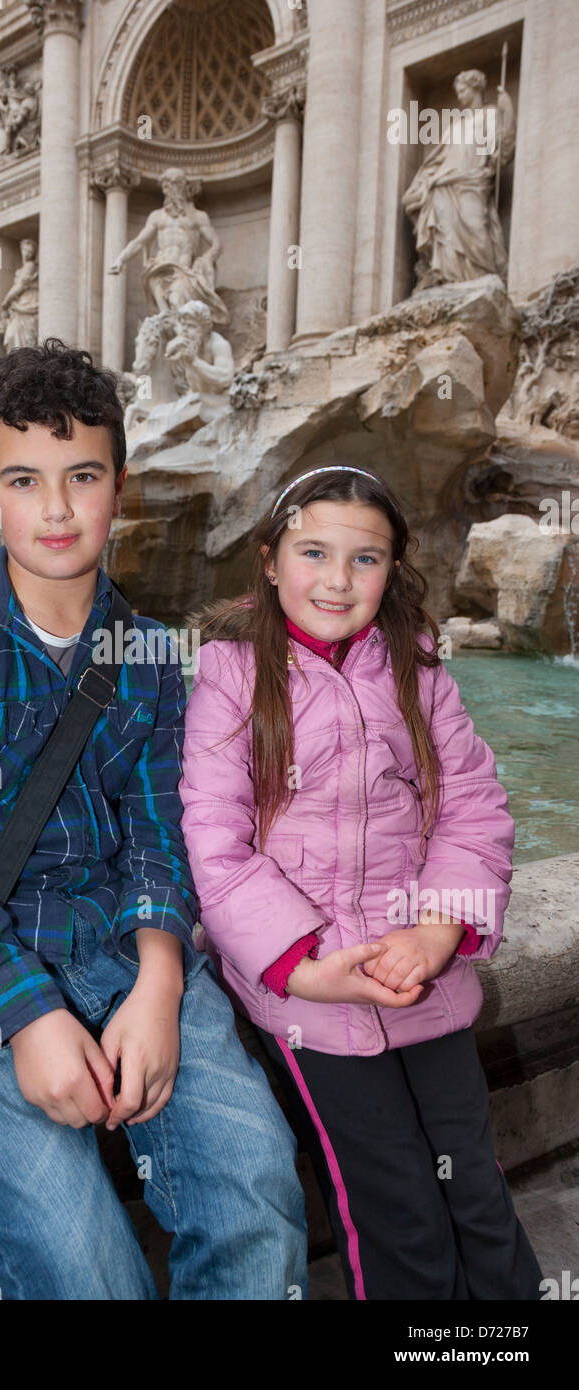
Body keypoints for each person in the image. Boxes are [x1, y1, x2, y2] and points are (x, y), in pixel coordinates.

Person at [0, 338, 308, 1300]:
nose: (57, 509)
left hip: (122, 951)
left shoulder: (148, 652)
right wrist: (23, 1013)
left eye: (82, 477)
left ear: (121, 485)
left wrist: (159, 981)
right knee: (82, 1261)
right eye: (24, 480)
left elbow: (160, 831)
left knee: (257, 1188)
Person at [178, 464, 545, 1300]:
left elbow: (474, 807)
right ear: (269, 561)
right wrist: (303, 968)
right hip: (311, 1000)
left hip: (424, 976)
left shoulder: (418, 672)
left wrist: (439, 931)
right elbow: (213, 841)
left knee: (476, 1193)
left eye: (365, 559)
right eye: (314, 553)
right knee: (396, 1209)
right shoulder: (230, 675)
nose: (337, 581)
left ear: (394, 570)